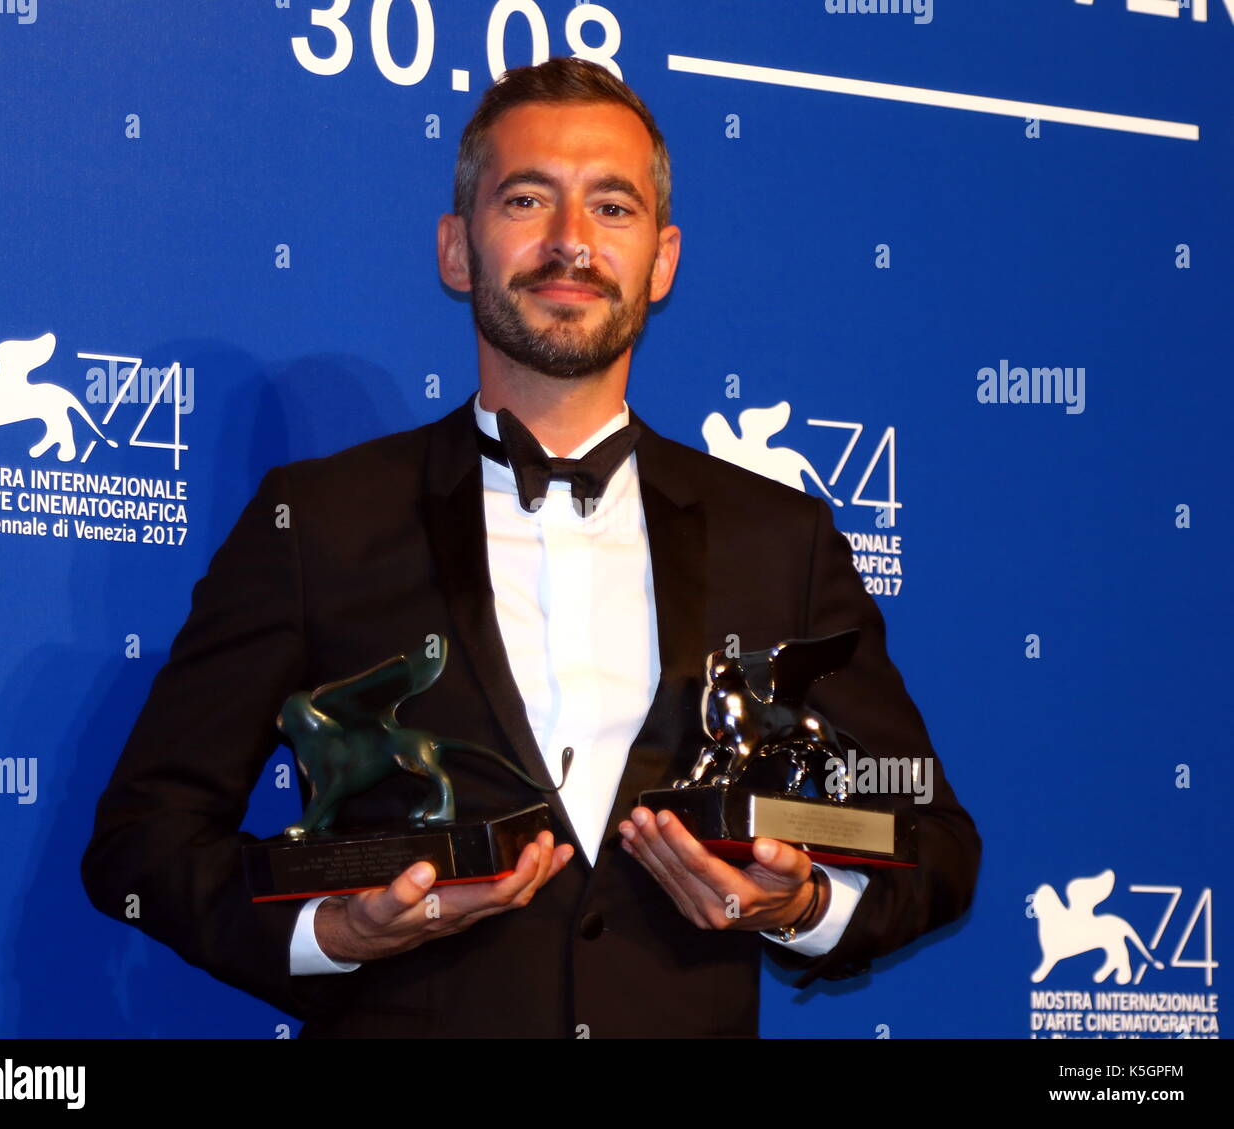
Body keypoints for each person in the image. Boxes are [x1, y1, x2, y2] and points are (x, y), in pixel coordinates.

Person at [81, 57, 980, 1038]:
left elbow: (926, 837)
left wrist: (799, 905)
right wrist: (335, 929)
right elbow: (142, 843)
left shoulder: (781, 539)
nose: (569, 243)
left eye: (611, 208)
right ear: (456, 250)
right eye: (524, 199)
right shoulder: (319, 521)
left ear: (663, 259)